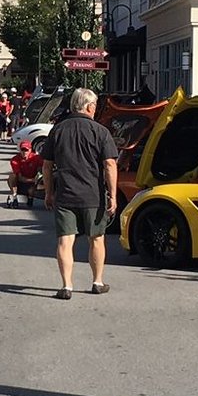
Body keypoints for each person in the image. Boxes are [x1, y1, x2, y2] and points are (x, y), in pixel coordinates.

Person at [41, 87, 120, 299]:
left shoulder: (57, 130)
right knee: (96, 238)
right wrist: (113, 195)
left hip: (65, 195)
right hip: (92, 196)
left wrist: (49, 192)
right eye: (95, 105)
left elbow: (47, 166)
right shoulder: (100, 131)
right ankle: (97, 281)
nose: (96, 109)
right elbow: (110, 165)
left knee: (65, 241)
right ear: (89, 106)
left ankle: (66, 286)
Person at [6, 141, 45, 206]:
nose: (24, 152)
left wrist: (39, 178)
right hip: (21, 182)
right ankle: (14, 198)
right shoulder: (15, 159)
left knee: (32, 190)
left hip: (33, 183)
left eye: (26, 150)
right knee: (12, 176)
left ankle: (30, 198)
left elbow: (43, 169)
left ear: (30, 150)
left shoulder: (36, 158)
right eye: (22, 150)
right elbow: (20, 177)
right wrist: (33, 180)